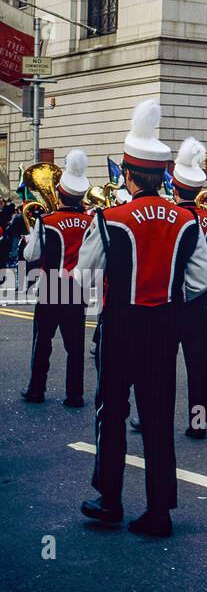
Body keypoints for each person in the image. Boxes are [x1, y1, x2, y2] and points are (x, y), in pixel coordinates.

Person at [77, 101, 207, 535]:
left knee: (111, 411)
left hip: (119, 326)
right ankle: (159, 511)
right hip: (163, 329)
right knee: (158, 417)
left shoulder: (108, 218)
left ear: (129, 176)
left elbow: (83, 276)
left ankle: (110, 499)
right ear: (165, 177)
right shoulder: (185, 220)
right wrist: (171, 297)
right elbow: (201, 280)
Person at [21, 149, 93, 408]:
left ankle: (36, 390)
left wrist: (29, 239)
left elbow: (32, 254)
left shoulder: (47, 221)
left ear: (60, 193)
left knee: (42, 341)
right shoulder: (91, 222)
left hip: (51, 287)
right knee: (75, 347)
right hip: (77, 289)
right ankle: (75, 395)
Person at [169, 138, 207, 438]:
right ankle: (198, 421)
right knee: (198, 368)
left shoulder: (171, 217)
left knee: (160, 366)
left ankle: (149, 415)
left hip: (170, 302)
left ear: (174, 187)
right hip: (199, 302)